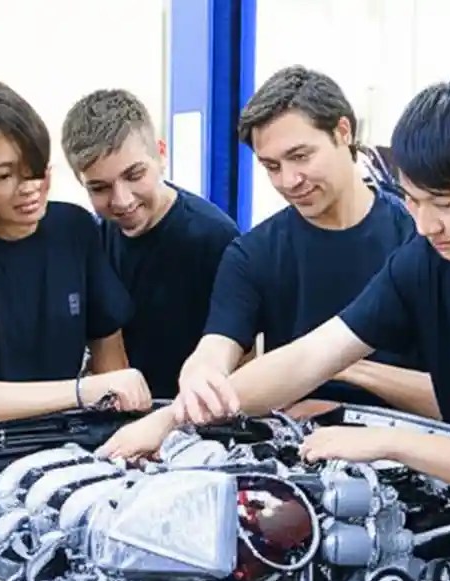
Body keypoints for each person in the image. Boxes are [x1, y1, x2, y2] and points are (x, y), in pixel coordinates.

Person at [103, 73, 450, 508]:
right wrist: (172, 419)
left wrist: (390, 443)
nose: (425, 223)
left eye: (444, 204)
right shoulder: (427, 256)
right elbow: (311, 356)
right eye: (412, 200)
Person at [174, 65, 423, 421]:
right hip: (295, 440)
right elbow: (218, 345)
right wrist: (201, 371)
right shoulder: (252, 254)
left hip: (413, 439)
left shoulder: (419, 239)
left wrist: (339, 369)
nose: (289, 180)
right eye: (272, 166)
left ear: (343, 132)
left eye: (301, 156)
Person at [0, 76, 151, 425]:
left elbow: (110, 360)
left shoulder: (75, 230)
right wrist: (81, 392)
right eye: (4, 177)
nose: (30, 188)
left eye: (35, 169)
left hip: (64, 441)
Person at [61, 89, 240, 399]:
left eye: (134, 175)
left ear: (161, 153)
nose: (122, 200)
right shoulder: (93, 237)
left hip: (191, 412)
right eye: (100, 188)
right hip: (117, 409)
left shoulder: (214, 239)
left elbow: (242, 358)